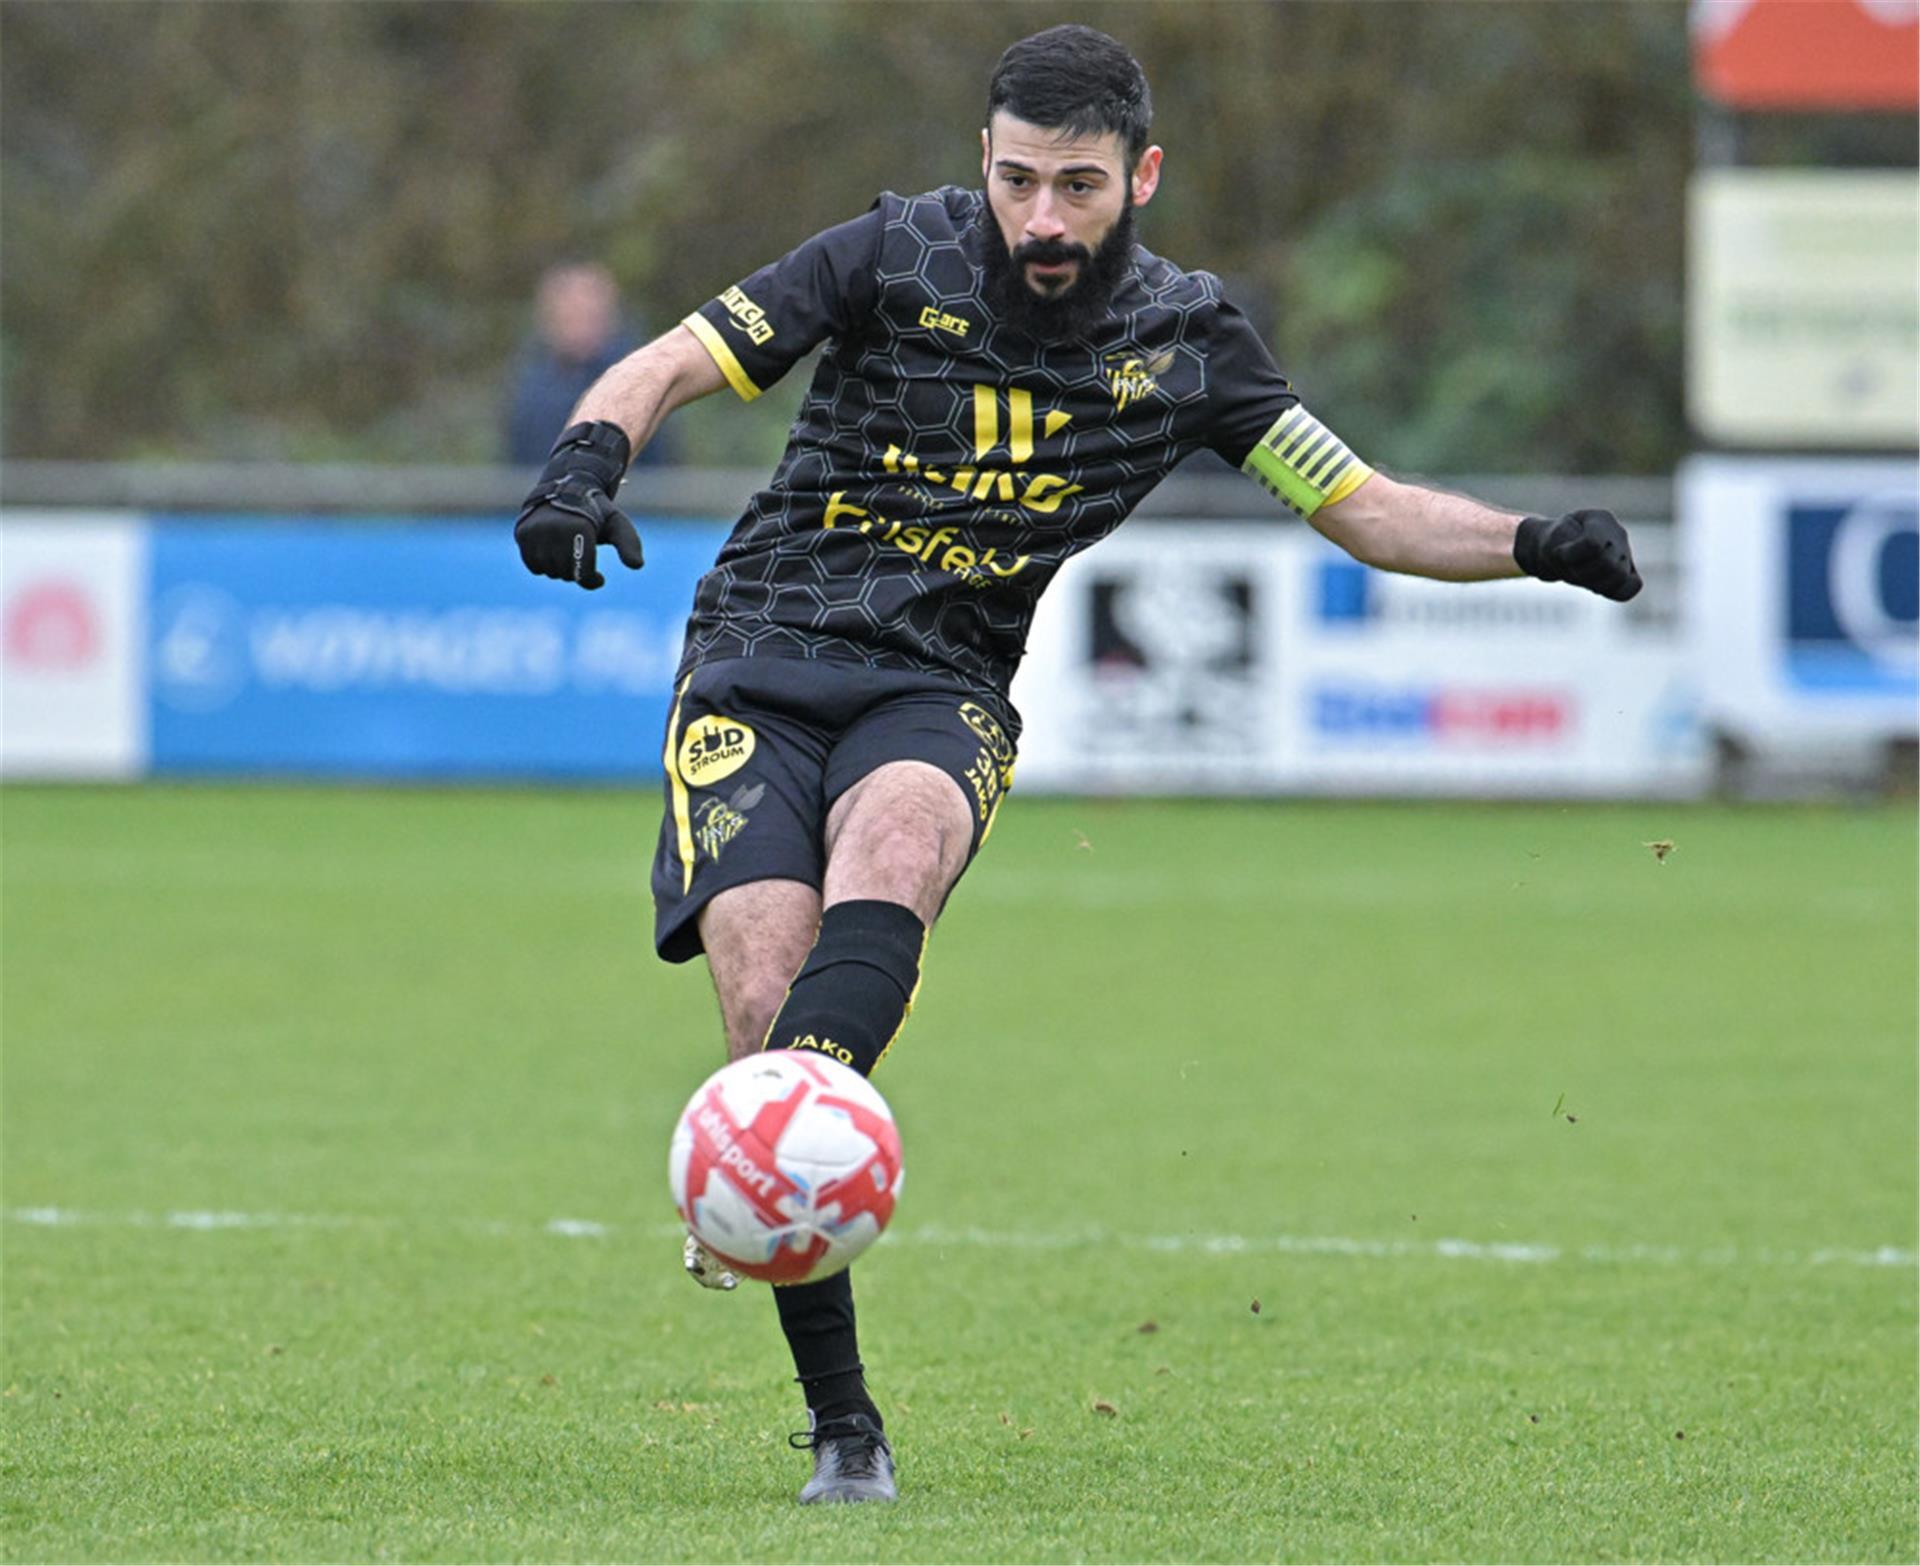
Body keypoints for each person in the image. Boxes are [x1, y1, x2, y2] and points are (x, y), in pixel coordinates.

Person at [512, 25, 1641, 1506]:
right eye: (1018, 181)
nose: (1043, 218)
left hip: (942, 684)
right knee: (757, 1000)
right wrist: (586, 458)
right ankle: (841, 1412)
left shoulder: (1192, 342)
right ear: (984, 163)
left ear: (1142, 177)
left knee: (897, 852)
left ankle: (762, 1164)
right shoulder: (888, 252)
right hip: (755, 661)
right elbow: (669, 360)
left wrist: (1534, 545)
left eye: (1080, 186)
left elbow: (1360, 506)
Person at [502, 261, 663, 468]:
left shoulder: (640, 384)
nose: (579, 329)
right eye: (569, 318)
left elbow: (659, 473)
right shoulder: (528, 388)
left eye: (589, 317)